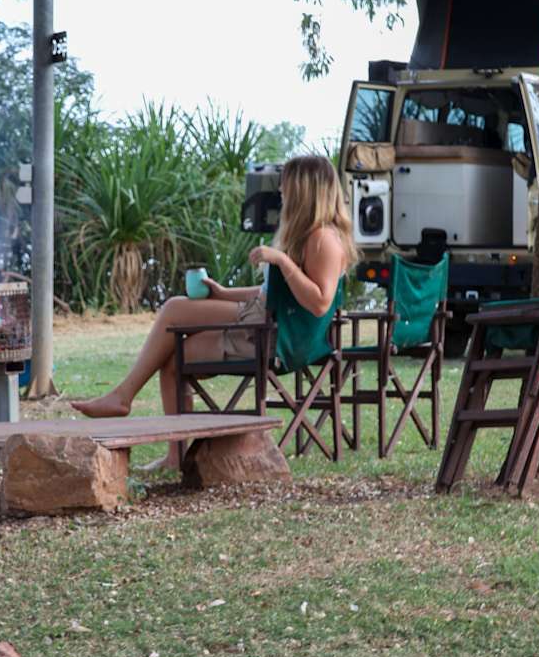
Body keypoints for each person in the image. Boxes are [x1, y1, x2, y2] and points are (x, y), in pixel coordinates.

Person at [70, 154, 355, 469]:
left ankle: (123, 396)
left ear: (304, 191)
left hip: (273, 337)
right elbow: (275, 294)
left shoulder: (323, 240)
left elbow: (319, 302)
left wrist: (281, 260)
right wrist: (224, 293)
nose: (281, 193)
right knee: (173, 358)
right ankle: (175, 456)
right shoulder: (309, 236)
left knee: (175, 308)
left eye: (286, 187)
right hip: (263, 321)